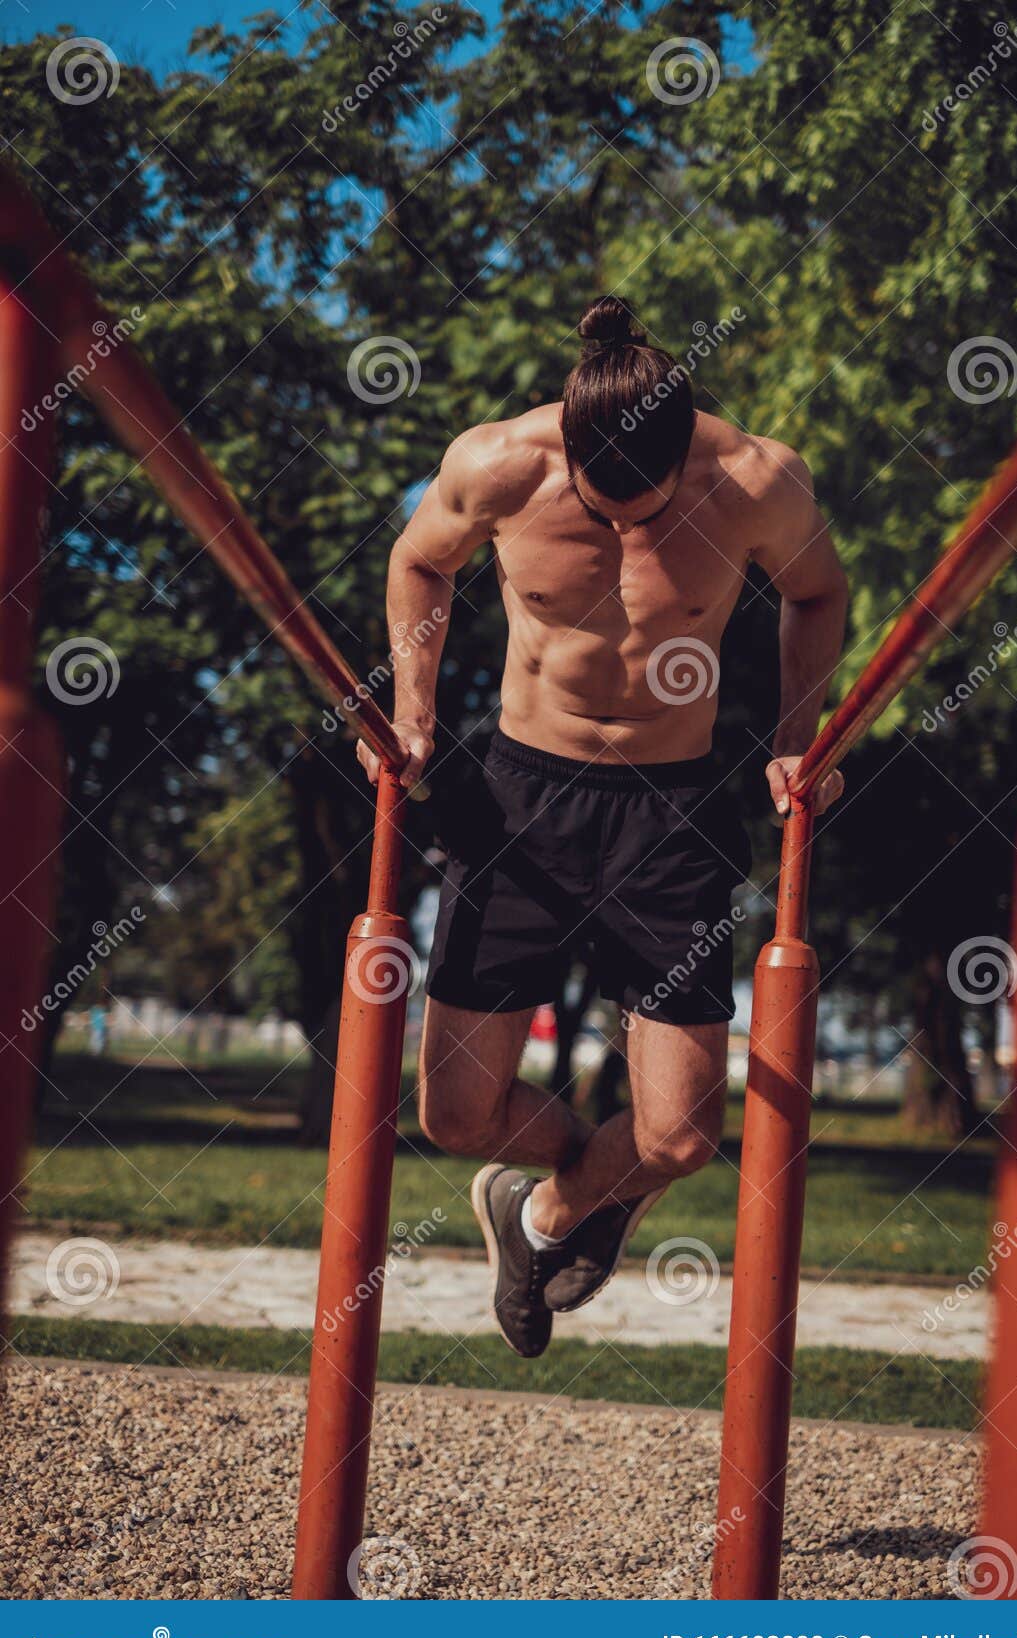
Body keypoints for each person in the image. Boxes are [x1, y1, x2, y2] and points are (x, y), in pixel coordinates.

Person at [358, 295, 848, 1357]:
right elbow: (417, 562)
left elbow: (817, 593)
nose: (625, 525)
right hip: (517, 795)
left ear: (687, 448)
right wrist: (410, 712)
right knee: (453, 1116)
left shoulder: (756, 481)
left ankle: (546, 1213)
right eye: (602, 501)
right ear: (566, 448)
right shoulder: (498, 464)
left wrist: (794, 736)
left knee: (676, 1135)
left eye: (647, 504)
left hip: (669, 809)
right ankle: (587, 1182)